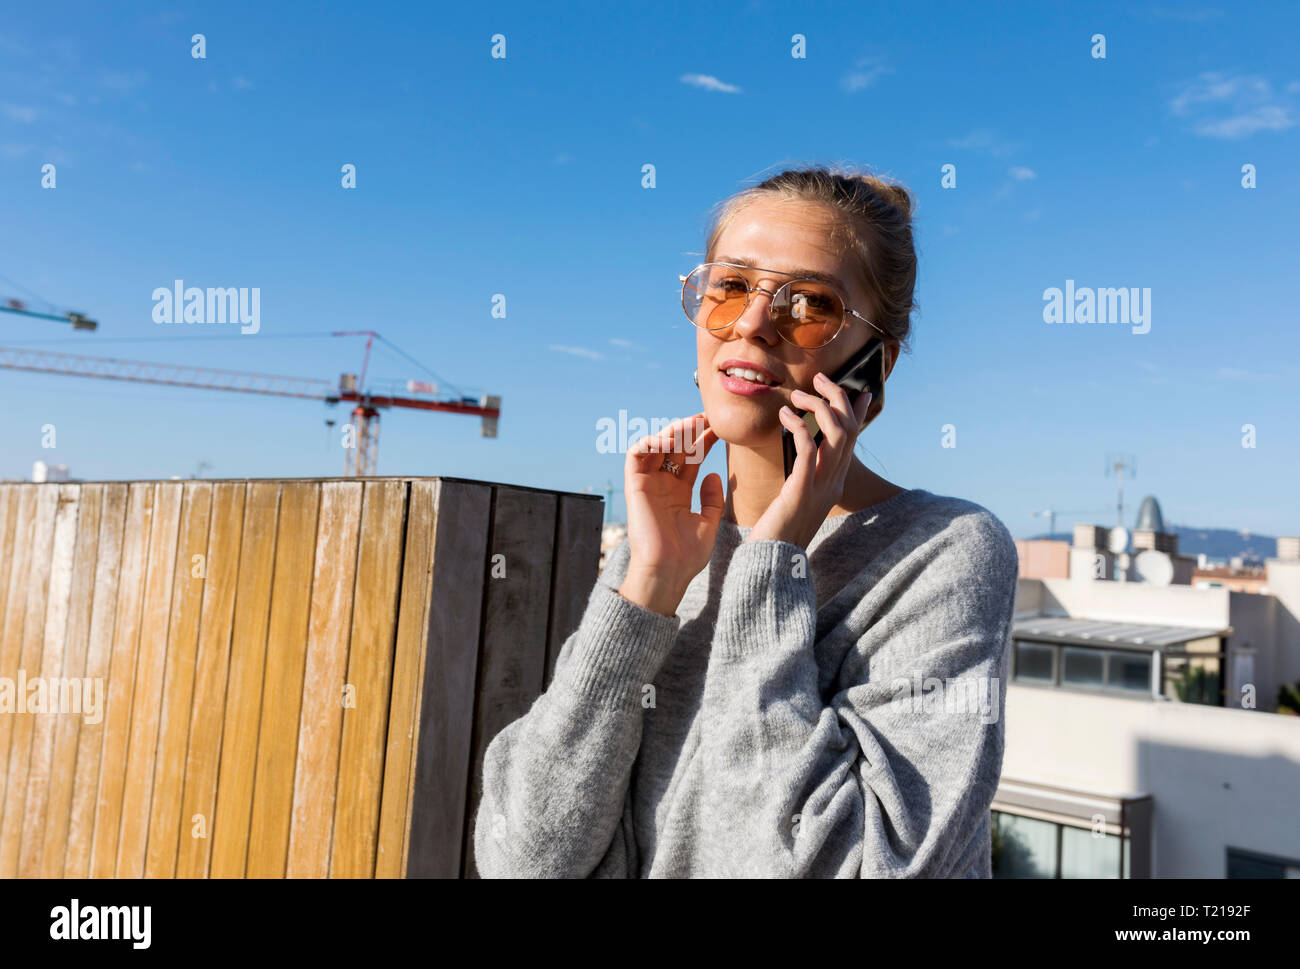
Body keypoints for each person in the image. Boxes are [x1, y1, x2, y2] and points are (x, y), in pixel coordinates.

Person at [473, 164, 1020, 877]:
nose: (754, 324)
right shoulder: (664, 548)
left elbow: (846, 866)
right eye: (729, 287)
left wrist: (773, 566)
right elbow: (526, 859)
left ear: (872, 369)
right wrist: (648, 585)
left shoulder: (946, 552)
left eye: (808, 304)